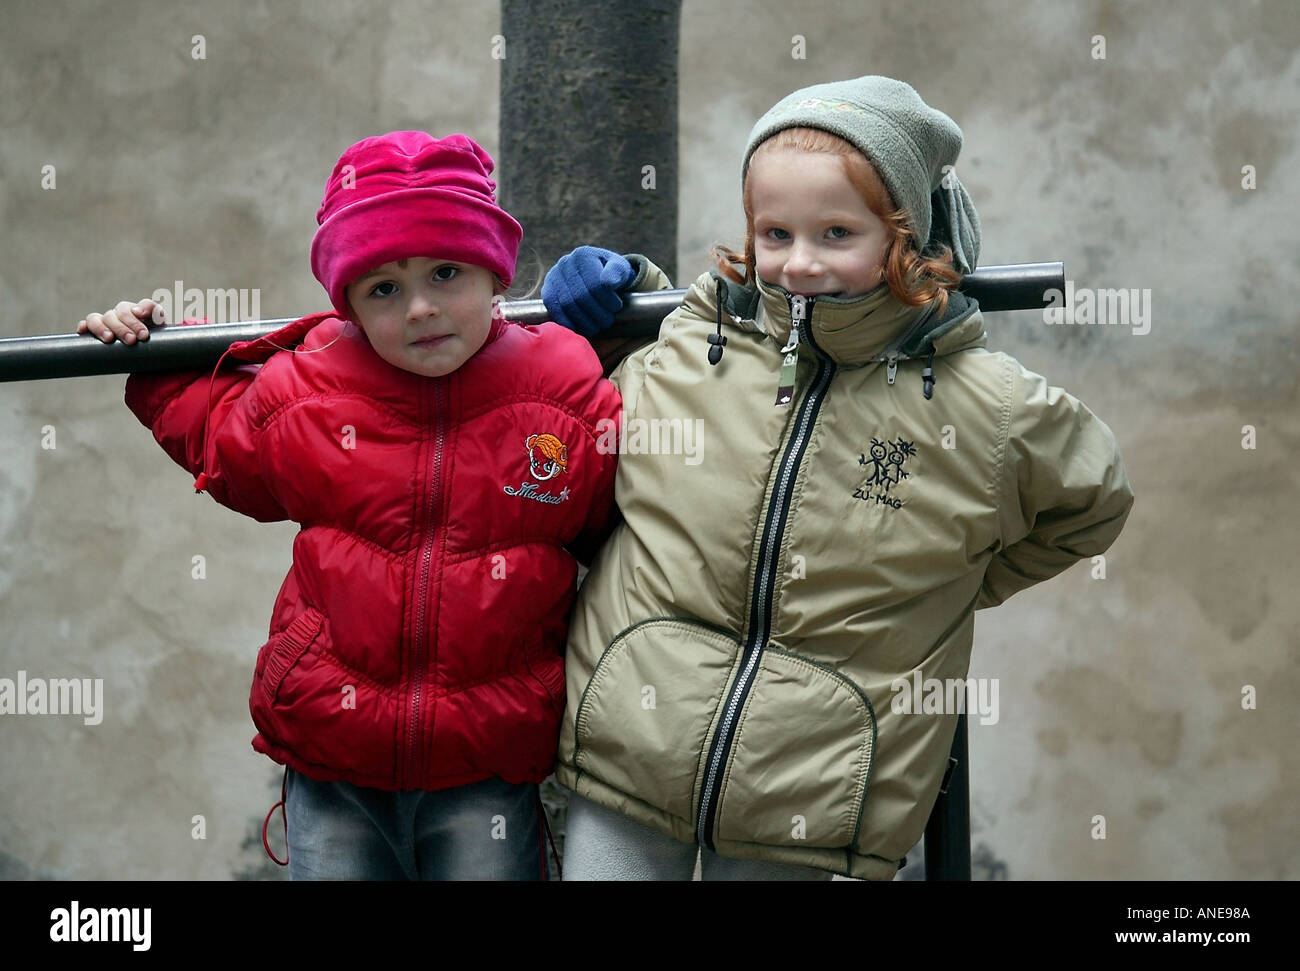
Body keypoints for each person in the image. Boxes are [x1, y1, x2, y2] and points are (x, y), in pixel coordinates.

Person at [540, 76, 1134, 880]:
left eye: (836, 232)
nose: (800, 262)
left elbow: (1092, 499)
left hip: (813, 788)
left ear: (903, 237)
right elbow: (582, 401)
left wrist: (949, 580)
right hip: (628, 749)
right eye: (775, 233)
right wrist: (618, 292)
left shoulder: (981, 404)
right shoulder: (693, 341)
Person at [77, 131, 620, 880]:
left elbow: (622, 508)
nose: (422, 307)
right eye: (384, 289)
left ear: (494, 272)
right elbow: (221, 431)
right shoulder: (313, 387)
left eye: (446, 272)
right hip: (333, 753)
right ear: (353, 305)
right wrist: (149, 350)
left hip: (486, 760)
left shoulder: (561, 387)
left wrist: (629, 295)